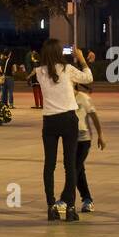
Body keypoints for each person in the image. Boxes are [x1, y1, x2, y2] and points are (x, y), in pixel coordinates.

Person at [32, 40, 93, 222]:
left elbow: (47, 71)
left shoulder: (39, 72)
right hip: (68, 119)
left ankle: (51, 207)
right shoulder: (67, 69)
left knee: (49, 165)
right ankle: (71, 208)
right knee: (70, 165)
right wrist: (81, 59)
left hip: (49, 120)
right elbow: (88, 78)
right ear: (60, 52)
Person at [74, 67, 105, 213]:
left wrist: (100, 135)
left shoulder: (84, 98)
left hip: (84, 139)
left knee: (75, 169)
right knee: (78, 170)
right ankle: (87, 199)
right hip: (70, 139)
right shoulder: (64, 99)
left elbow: (94, 117)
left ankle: (67, 199)